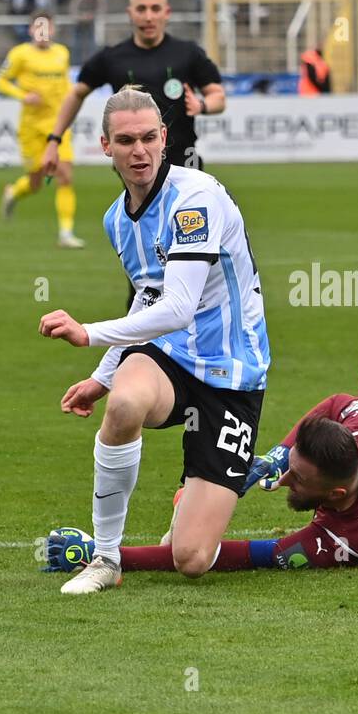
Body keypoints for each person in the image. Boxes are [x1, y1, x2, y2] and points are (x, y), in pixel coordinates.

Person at [46, 189, 358, 576]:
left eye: (295, 479)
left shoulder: (346, 541)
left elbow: (245, 554)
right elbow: (341, 405)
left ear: (335, 495)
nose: (284, 483)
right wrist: (279, 458)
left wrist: (106, 555)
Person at [41, 86, 271, 592]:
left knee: (190, 559)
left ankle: (215, 486)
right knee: (124, 406)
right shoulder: (115, 220)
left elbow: (179, 306)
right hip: (170, 355)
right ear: (105, 146)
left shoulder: (195, 200)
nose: (138, 151)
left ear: (165, 138)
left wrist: (89, 335)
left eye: (148, 138)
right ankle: (105, 559)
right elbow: (150, 298)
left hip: (233, 370)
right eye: (126, 140)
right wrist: (104, 377)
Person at [42, 0, 226, 177]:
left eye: (155, 9)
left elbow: (218, 96)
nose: (148, 17)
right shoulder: (111, 58)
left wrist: (202, 105)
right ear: (130, 13)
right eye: (141, 9)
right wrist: (54, 140)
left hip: (185, 164)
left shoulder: (189, 53)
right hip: (137, 167)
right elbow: (76, 94)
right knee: (145, 207)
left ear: (167, 12)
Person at [0, 11, 83, 248]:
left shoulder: (62, 53)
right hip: (31, 127)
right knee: (36, 181)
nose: (43, 32)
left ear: (53, 30)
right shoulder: (20, 54)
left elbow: (66, 85)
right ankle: (13, 192)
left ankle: (65, 233)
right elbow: (0, 82)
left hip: (57, 125)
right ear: (31, 30)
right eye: (38, 27)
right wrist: (23, 96)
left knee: (64, 176)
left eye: (47, 27)